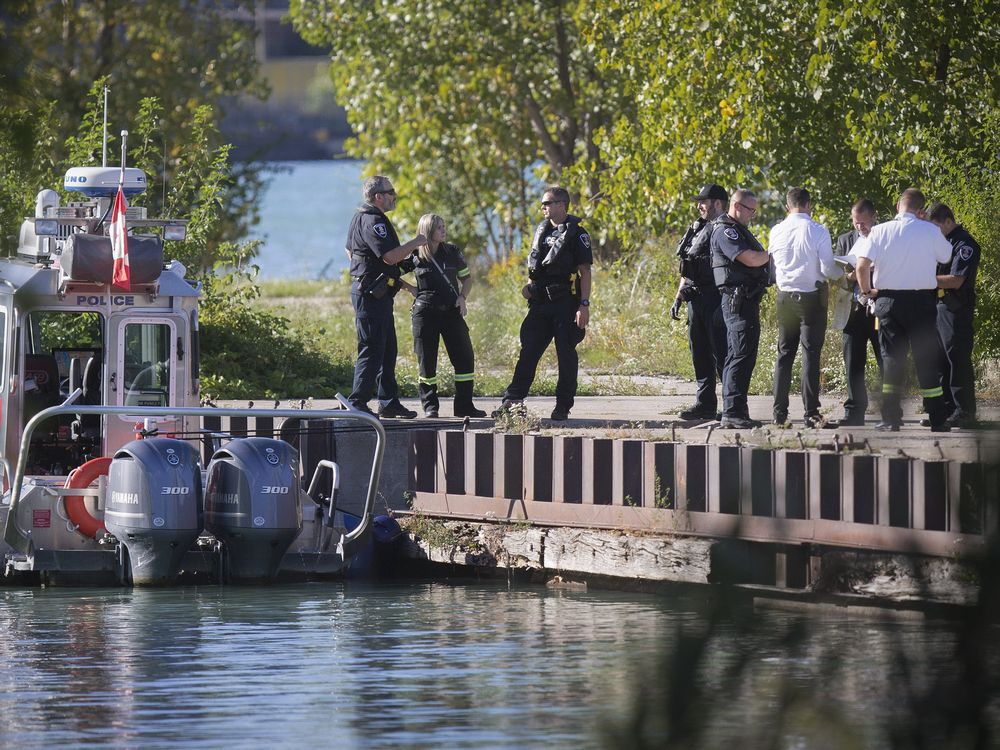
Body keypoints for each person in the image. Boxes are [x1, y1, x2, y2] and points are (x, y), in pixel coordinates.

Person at [853, 188, 953, 431]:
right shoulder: (930, 230)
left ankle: (891, 418)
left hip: (889, 302)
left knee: (891, 360)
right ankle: (937, 419)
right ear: (921, 210)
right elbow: (946, 255)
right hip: (921, 303)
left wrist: (867, 292)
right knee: (926, 360)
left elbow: (862, 266)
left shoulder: (878, 231)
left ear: (898, 206)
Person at [496, 186, 592, 421]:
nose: (543, 208)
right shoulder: (542, 231)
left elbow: (585, 271)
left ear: (562, 205)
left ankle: (562, 406)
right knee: (528, 352)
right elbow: (536, 266)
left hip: (566, 304)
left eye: (547, 203)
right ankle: (513, 402)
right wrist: (529, 287)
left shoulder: (578, 234)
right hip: (540, 303)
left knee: (565, 355)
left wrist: (584, 305)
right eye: (543, 204)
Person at [346, 175, 425, 418]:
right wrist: (417, 242)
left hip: (375, 293)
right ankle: (357, 402)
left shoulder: (362, 217)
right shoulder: (373, 221)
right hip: (369, 295)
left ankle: (388, 402)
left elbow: (350, 251)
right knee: (372, 348)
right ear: (377, 196)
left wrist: (399, 283)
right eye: (391, 192)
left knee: (387, 348)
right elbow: (390, 257)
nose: (395, 196)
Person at [768, 187, 839, 428]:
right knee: (810, 354)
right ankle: (811, 414)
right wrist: (845, 274)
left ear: (788, 206)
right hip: (811, 298)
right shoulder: (818, 230)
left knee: (784, 355)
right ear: (809, 204)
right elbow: (828, 269)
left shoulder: (775, 231)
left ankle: (779, 414)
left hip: (785, 297)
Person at [408, 214, 486, 419]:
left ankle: (464, 406)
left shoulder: (452, 252)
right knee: (427, 362)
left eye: (444, 226)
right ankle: (430, 406)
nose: (444, 230)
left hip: (451, 311)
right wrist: (410, 288)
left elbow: (466, 279)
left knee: (465, 359)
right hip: (425, 313)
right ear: (428, 230)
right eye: (439, 227)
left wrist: (463, 297)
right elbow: (392, 271)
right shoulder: (414, 254)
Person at [711, 189, 771, 429]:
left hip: (745, 300)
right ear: (737, 206)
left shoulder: (739, 230)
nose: (752, 215)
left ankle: (737, 411)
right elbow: (750, 259)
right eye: (751, 210)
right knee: (740, 354)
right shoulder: (727, 231)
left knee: (742, 355)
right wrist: (773, 254)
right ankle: (732, 412)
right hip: (737, 301)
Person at [670, 183, 729, 421]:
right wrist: (679, 295)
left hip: (718, 298)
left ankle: (732, 405)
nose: (699, 206)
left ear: (717, 203)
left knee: (723, 354)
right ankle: (704, 404)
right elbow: (688, 266)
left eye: (703, 201)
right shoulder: (697, 228)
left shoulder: (726, 228)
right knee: (700, 353)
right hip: (696, 298)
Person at [928, 202, 980, 428]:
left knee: (956, 358)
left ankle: (964, 411)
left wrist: (923, 278)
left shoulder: (964, 244)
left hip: (956, 309)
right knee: (940, 361)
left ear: (948, 221)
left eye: (936, 227)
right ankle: (945, 409)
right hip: (938, 307)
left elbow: (957, 280)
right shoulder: (942, 243)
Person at [833, 199, 883, 426]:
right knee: (853, 360)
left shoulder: (883, 236)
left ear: (874, 218)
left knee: (886, 358)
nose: (860, 227)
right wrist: (854, 275)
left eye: (864, 223)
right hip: (854, 308)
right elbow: (837, 276)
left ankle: (891, 410)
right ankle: (854, 411)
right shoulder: (845, 240)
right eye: (856, 223)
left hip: (879, 305)